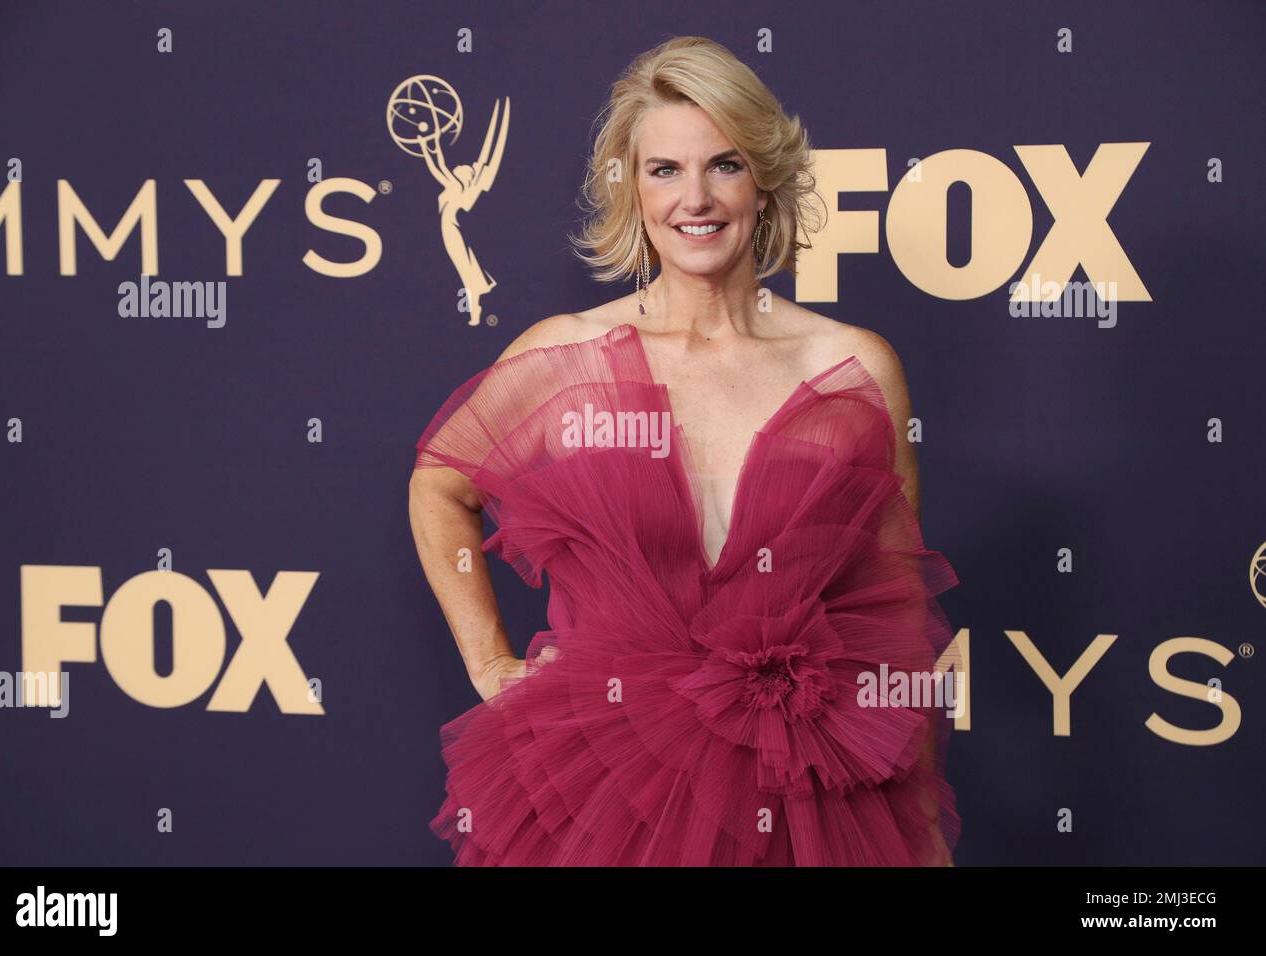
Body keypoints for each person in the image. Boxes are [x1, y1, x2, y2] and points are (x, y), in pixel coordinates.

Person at [409, 36, 960, 865]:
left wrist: (919, 833)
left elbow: (897, 622)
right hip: (599, 793)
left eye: (724, 165)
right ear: (630, 188)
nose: (694, 198)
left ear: (763, 177)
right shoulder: (572, 359)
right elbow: (439, 486)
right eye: (664, 169)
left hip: (807, 800)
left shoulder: (851, 371)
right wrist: (489, 660)